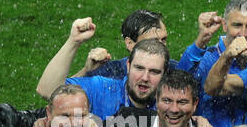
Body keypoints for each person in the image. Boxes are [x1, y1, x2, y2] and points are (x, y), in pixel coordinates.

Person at [38, 18, 170, 119]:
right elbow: (48, 90)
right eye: (139, 68)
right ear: (128, 66)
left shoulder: (173, 106)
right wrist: (74, 41)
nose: (145, 78)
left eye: (154, 72)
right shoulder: (102, 90)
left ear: (164, 74)